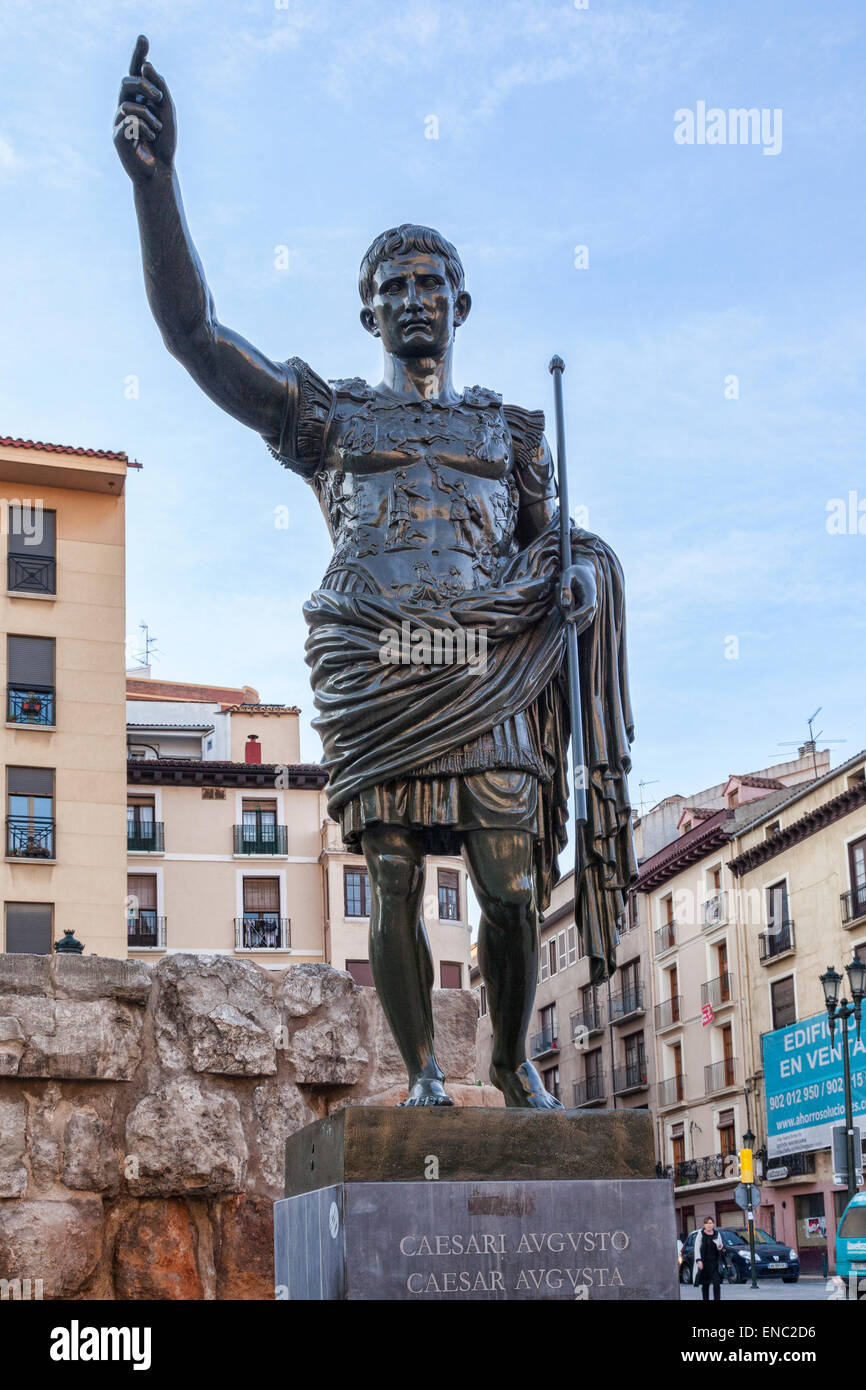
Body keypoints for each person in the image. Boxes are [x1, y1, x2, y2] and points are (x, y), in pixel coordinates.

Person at [113, 36, 637, 1109]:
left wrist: (578, 579)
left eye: (430, 283)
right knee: (390, 871)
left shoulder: (508, 429)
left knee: (505, 881)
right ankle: (426, 1080)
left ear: (459, 303)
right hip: (380, 660)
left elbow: (558, 543)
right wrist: (157, 188)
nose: (412, 298)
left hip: (482, 666)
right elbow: (194, 336)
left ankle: (503, 1057)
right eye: (391, 285)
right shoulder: (333, 419)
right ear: (366, 310)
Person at [694, 1217, 725, 1301]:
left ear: (713, 1224)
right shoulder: (700, 1234)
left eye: (710, 1223)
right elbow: (696, 1248)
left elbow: (720, 1245)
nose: (709, 1225)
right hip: (704, 1263)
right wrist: (698, 1260)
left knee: (716, 1283)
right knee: (705, 1284)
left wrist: (720, 1248)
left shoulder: (717, 1234)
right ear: (704, 1225)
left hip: (715, 1263)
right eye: (707, 1223)